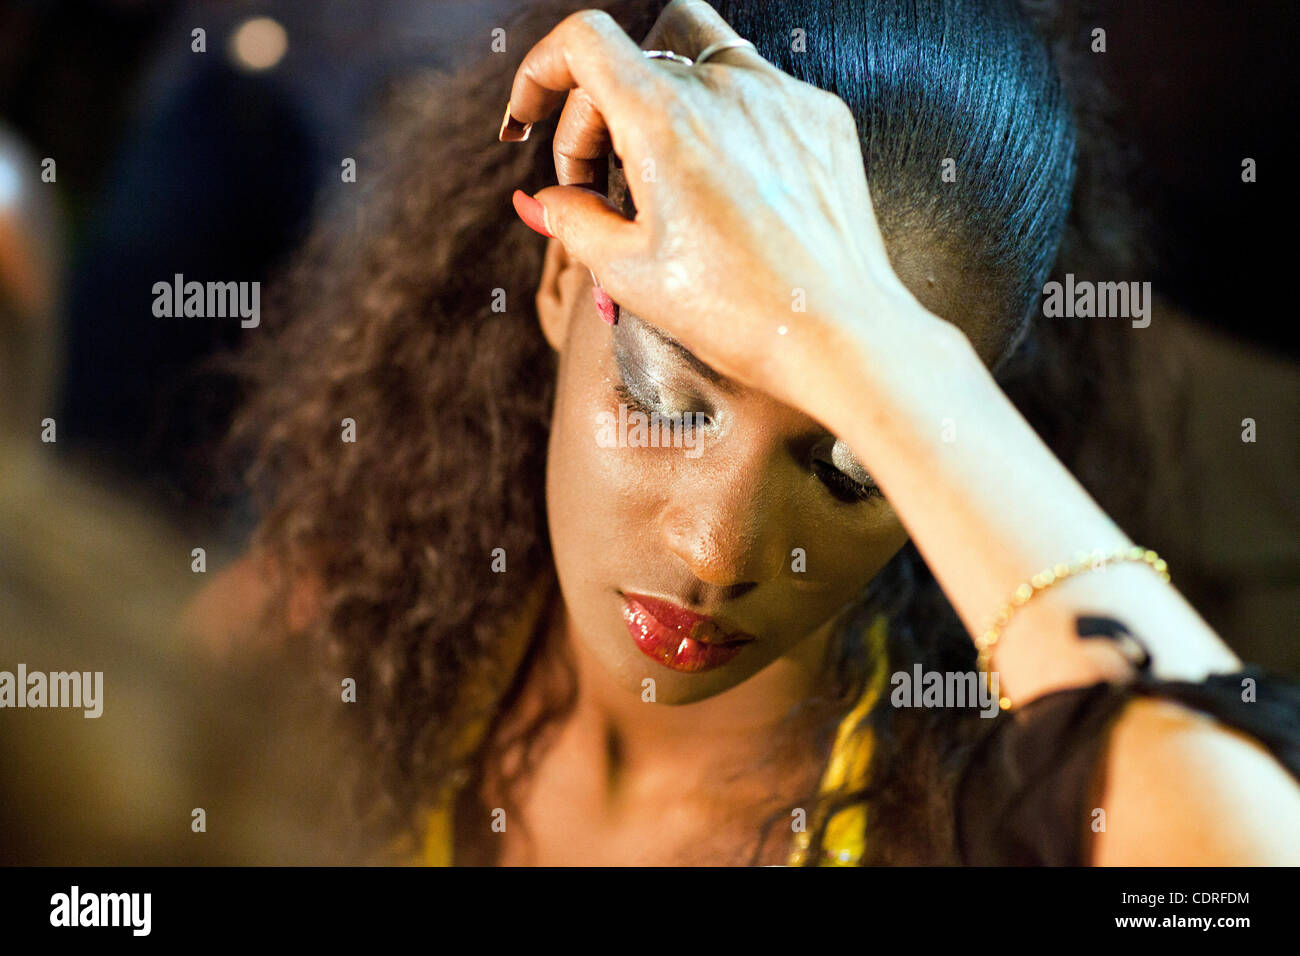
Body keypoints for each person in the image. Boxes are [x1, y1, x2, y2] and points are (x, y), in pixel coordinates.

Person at [204, 0, 1300, 865]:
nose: (719, 551)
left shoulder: (974, 814)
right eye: (671, 400)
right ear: (554, 276)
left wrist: (860, 335)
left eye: (859, 463)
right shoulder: (337, 627)